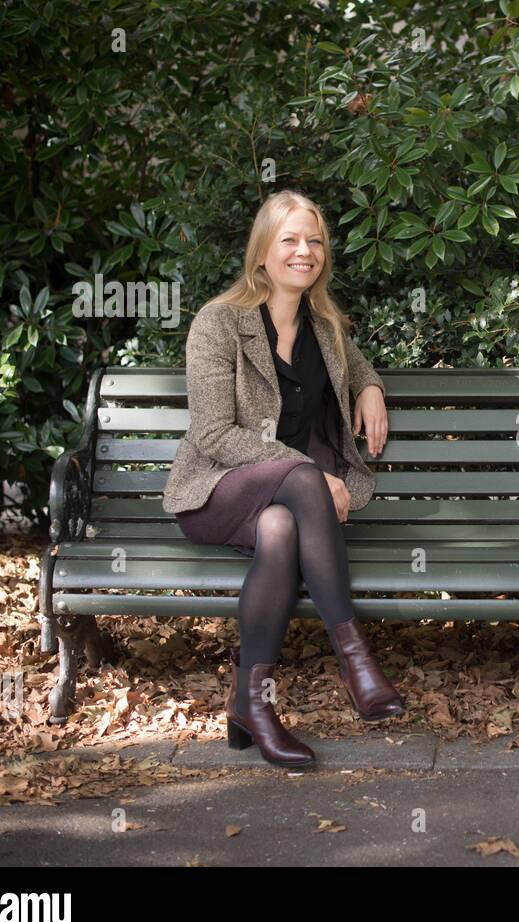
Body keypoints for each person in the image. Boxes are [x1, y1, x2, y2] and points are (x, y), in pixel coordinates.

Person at [161, 189, 404, 769]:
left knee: (277, 531)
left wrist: (369, 386)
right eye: (290, 239)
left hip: (287, 505)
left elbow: (357, 363)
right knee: (296, 481)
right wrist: (313, 474)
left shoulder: (325, 325)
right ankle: (356, 660)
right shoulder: (218, 323)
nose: (305, 251)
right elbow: (215, 434)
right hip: (218, 491)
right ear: (263, 252)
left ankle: (253, 707)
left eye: (314, 240)